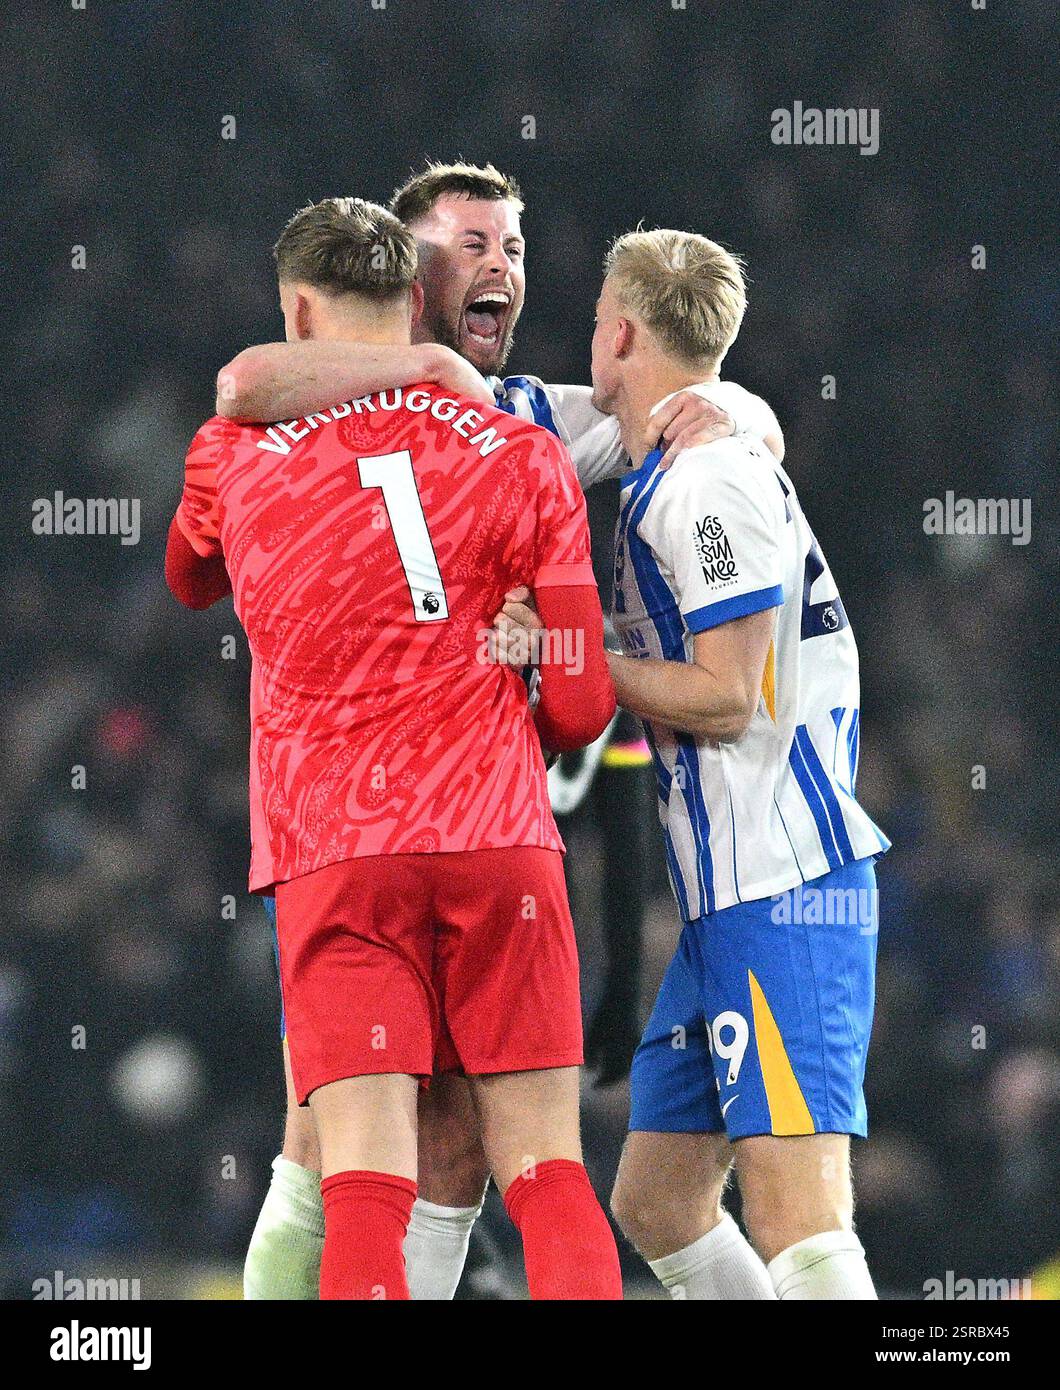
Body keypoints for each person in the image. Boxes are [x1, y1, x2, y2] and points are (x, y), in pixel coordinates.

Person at [218, 162, 787, 1299]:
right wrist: (423, 366)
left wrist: (744, 409)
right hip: (455, 829)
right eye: (470, 242)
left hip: (378, 838)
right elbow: (243, 380)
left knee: (421, 1152)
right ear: (403, 268)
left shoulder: (528, 418)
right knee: (369, 1147)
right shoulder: (327, 400)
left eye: (515, 250)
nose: (501, 266)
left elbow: (696, 414)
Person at [166, 196, 622, 1298]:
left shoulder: (234, 448)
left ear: (299, 313)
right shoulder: (525, 456)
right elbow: (580, 706)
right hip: (497, 842)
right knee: (550, 1172)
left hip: (336, 852)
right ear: (415, 301)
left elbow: (187, 578)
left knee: (360, 1184)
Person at [502, 227, 890, 1299]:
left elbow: (723, 695)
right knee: (657, 1201)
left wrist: (567, 651)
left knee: (797, 1212)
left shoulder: (705, 480)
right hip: (724, 900)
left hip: (783, 881)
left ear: (618, 331)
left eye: (593, 325)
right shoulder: (668, 447)